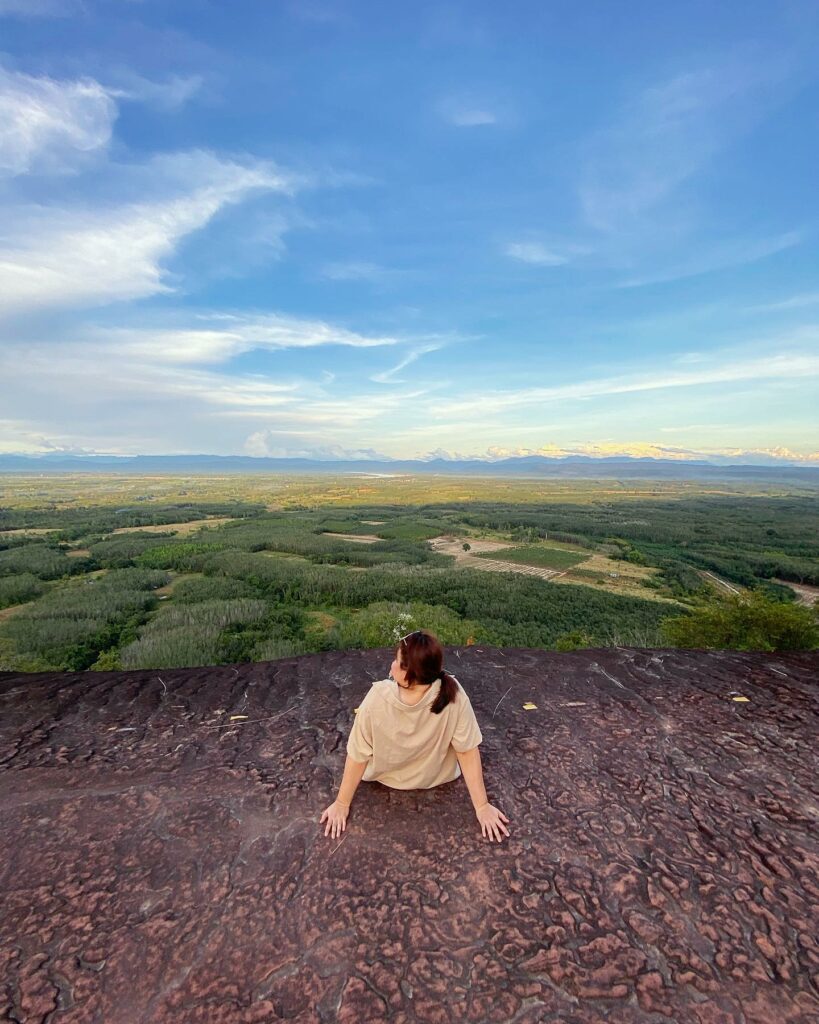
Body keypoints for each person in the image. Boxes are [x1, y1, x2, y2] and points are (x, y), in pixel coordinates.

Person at [319, 629, 511, 843]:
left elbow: (358, 755)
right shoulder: (452, 693)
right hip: (437, 777)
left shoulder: (378, 697)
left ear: (408, 675)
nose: (392, 664)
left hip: (386, 778)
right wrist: (482, 806)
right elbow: (466, 751)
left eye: (397, 661)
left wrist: (342, 804)